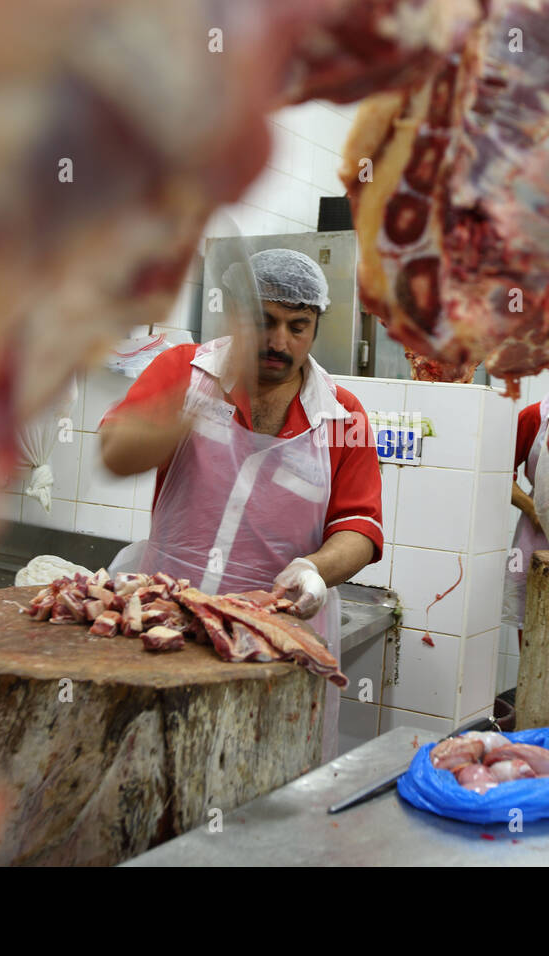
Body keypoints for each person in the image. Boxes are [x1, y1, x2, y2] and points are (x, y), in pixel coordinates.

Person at [98, 248, 383, 761]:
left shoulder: (344, 414)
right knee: (158, 770)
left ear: (316, 326)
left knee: (264, 777)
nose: (279, 342)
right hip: (170, 627)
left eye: (298, 326)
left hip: (277, 639)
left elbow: (359, 527)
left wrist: (316, 570)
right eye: (264, 322)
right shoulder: (184, 372)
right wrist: (179, 419)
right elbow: (116, 452)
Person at [501, 391, 549, 644]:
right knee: (536, 636)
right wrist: (533, 509)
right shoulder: (537, 416)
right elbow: (497, 472)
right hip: (540, 536)